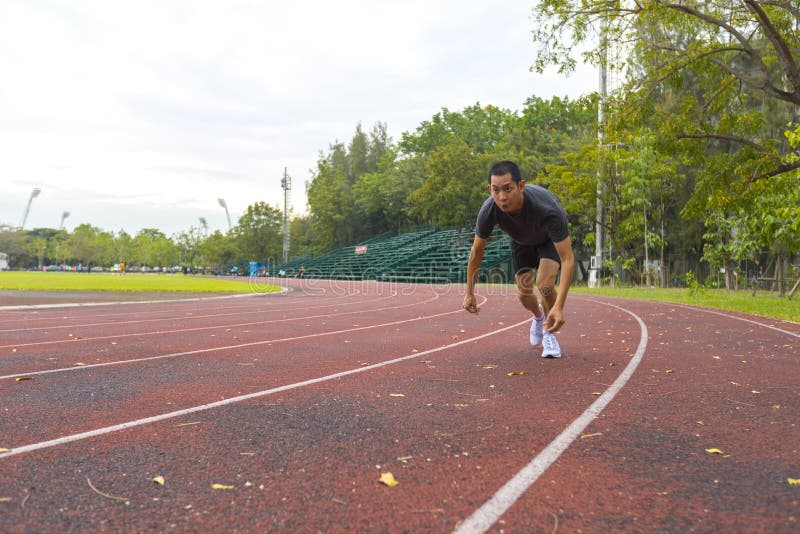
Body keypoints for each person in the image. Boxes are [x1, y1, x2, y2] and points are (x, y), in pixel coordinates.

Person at [463, 160, 575, 358]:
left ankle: (550, 333)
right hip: (520, 242)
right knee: (524, 295)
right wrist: (469, 292)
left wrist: (559, 307)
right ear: (489, 189)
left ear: (521, 186)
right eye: (496, 190)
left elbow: (567, 259)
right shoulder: (489, 210)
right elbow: (477, 251)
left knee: (545, 285)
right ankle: (539, 317)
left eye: (508, 189)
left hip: (548, 240)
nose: (502, 197)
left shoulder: (548, 209)